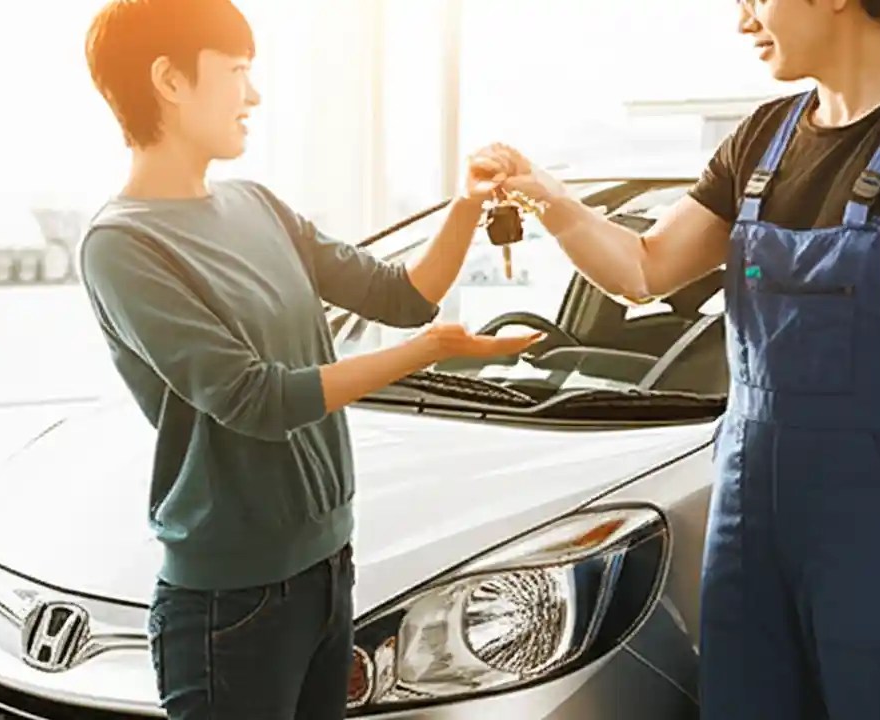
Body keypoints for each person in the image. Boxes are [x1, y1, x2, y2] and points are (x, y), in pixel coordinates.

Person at [471, 0, 880, 717]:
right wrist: (548, 197)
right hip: (749, 513)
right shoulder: (762, 139)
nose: (744, 21)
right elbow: (643, 271)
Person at [79, 1, 538, 718]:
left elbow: (402, 294)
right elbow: (255, 399)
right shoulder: (122, 246)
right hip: (231, 605)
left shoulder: (256, 205)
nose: (253, 95)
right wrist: (432, 352)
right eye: (236, 73)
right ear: (169, 80)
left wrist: (467, 205)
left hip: (328, 571)